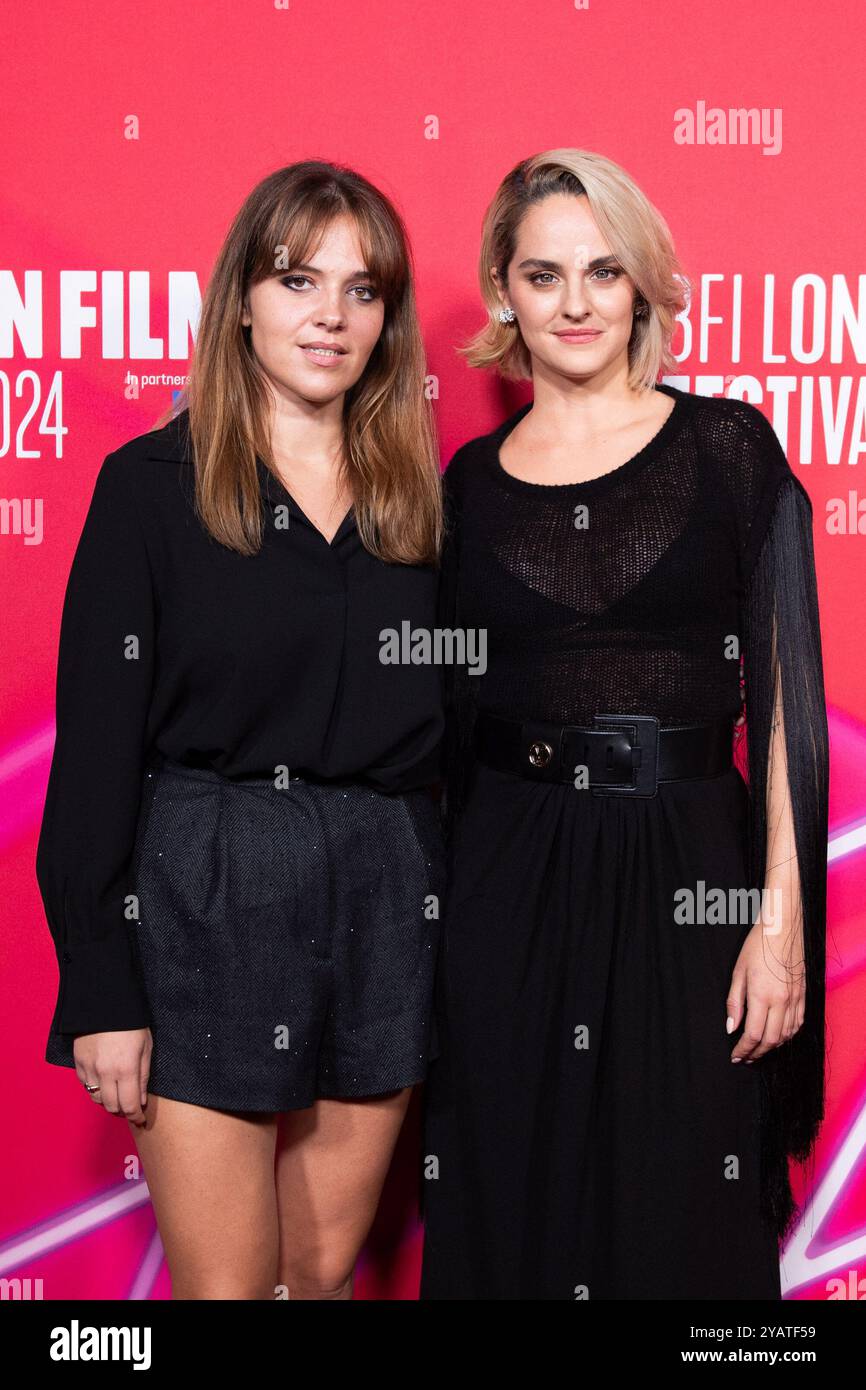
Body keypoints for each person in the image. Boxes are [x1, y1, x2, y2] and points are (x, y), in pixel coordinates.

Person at [419, 148, 829, 1300]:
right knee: (514, 1193)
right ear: (504, 290)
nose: (575, 301)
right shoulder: (465, 484)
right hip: (508, 876)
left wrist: (779, 924)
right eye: (543, 275)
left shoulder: (727, 449)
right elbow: (441, 726)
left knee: (682, 1205)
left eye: (602, 270)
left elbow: (789, 692)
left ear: (640, 283)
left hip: (688, 868)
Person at [36, 160, 447, 1300]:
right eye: (297, 279)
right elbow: (96, 760)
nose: (329, 315)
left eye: (361, 291)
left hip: (379, 895)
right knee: (230, 1292)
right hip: (203, 892)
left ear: (387, 320)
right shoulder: (151, 488)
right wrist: (100, 991)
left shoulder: (421, 506)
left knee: (315, 1277)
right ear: (242, 300)